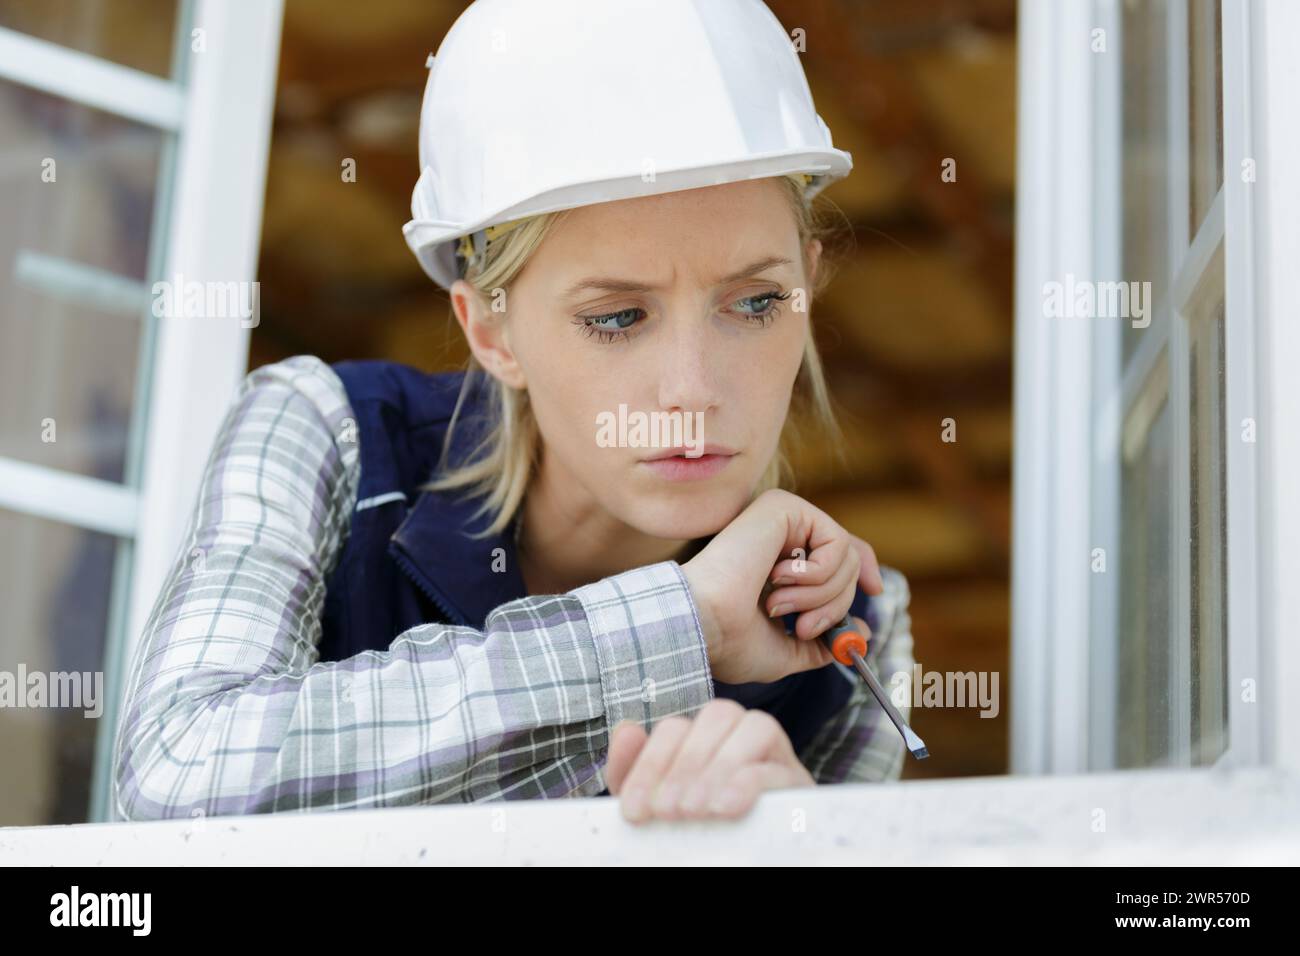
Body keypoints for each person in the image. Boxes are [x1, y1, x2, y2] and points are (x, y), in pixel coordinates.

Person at [112, 0, 915, 826]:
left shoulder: (858, 630)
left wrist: (799, 845)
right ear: (490, 329)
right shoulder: (328, 430)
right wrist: (685, 623)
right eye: (616, 317)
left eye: (753, 303)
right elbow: (180, 776)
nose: (693, 389)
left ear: (808, 287)